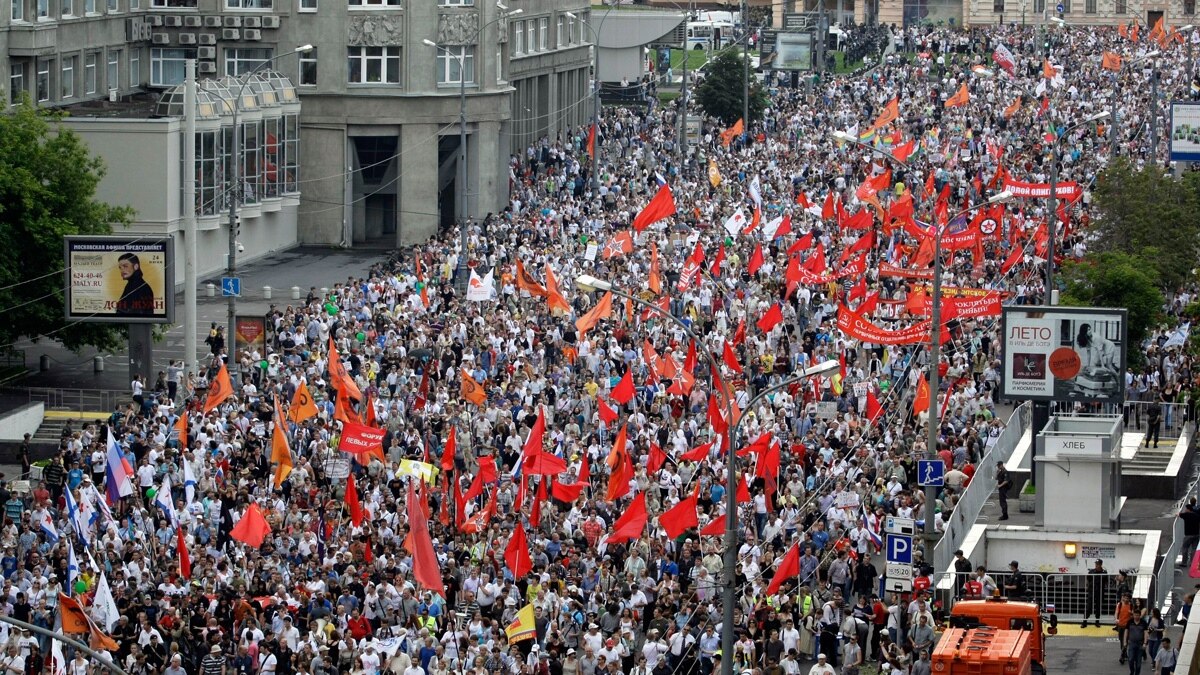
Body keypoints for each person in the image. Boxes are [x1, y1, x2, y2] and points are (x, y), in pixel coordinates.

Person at [115, 252, 156, 316]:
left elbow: (135, 313)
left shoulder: (140, 286)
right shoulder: (132, 284)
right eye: (120, 267)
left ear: (136, 266)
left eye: (125, 266)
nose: (122, 270)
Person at [1084, 559, 1108, 628]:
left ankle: (1097, 622)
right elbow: (1088, 580)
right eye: (1096, 564)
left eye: (1098, 564)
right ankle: (1084, 622)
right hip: (1092, 591)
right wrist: (1087, 587)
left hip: (1100, 592)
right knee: (1089, 607)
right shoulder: (1091, 571)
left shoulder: (1104, 572)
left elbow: (1106, 582)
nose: (1096, 565)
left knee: (1098, 608)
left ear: (1101, 565)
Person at [1126, 608, 1148, 675]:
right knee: (1130, 659)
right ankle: (1132, 671)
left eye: (1138, 615)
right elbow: (1126, 631)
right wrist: (1125, 641)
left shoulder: (1143, 622)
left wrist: (1145, 643)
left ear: (1140, 615)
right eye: (1135, 615)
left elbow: (1146, 633)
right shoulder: (1130, 622)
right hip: (1132, 643)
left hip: (1140, 644)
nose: (1136, 617)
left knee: (1138, 663)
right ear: (1133, 615)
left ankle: (1137, 673)